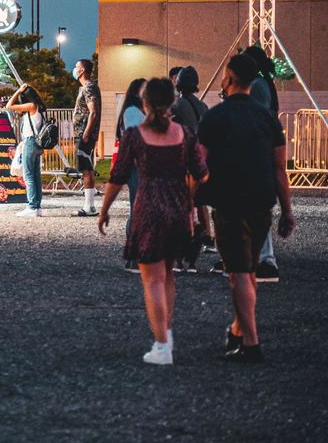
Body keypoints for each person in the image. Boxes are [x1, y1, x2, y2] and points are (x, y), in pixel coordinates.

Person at [98, 77, 207, 366]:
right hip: (177, 209)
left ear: (144, 103)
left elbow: (118, 176)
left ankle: (161, 346)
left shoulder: (135, 135)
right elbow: (201, 173)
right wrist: (190, 200)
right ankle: (166, 335)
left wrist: (104, 209)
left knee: (152, 281)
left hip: (147, 210)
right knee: (168, 276)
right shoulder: (185, 134)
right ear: (172, 102)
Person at [197, 53, 295, 363]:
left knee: (238, 274)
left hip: (228, 202)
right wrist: (287, 210)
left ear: (229, 79)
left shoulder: (214, 117)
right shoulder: (267, 118)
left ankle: (251, 343)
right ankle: (238, 331)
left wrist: (192, 198)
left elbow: (199, 163)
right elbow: (280, 168)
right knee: (248, 272)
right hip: (261, 202)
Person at [243, 43, 281, 283]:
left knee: (253, 206)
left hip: (256, 150)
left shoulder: (256, 85)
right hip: (263, 149)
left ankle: (264, 259)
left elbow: (253, 116)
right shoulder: (266, 83)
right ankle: (259, 257)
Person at [172, 65, 214, 266]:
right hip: (201, 160)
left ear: (179, 84)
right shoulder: (203, 107)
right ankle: (204, 236)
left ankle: (182, 254)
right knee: (198, 202)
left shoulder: (176, 106)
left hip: (182, 161)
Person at [114, 77, 146, 273]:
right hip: (137, 166)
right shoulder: (133, 112)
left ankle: (134, 255)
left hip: (137, 166)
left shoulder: (134, 111)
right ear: (137, 93)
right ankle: (134, 256)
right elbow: (137, 138)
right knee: (138, 210)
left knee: (138, 209)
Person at [7, 81, 46, 217]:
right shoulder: (39, 108)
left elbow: (9, 106)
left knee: (28, 175)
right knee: (35, 176)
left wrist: (18, 91)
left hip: (30, 142)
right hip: (37, 144)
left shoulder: (31, 106)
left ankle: (32, 206)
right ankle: (37, 206)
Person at [72, 58, 101, 217]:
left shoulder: (88, 87)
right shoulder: (89, 87)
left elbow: (93, 111)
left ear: (82, 70)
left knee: (86, 169)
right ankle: (89, 205)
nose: (75, 70)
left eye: (77, 67)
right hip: (84, 133)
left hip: (84, 134)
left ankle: (89, 206)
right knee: (86, 167)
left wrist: (86, 132)